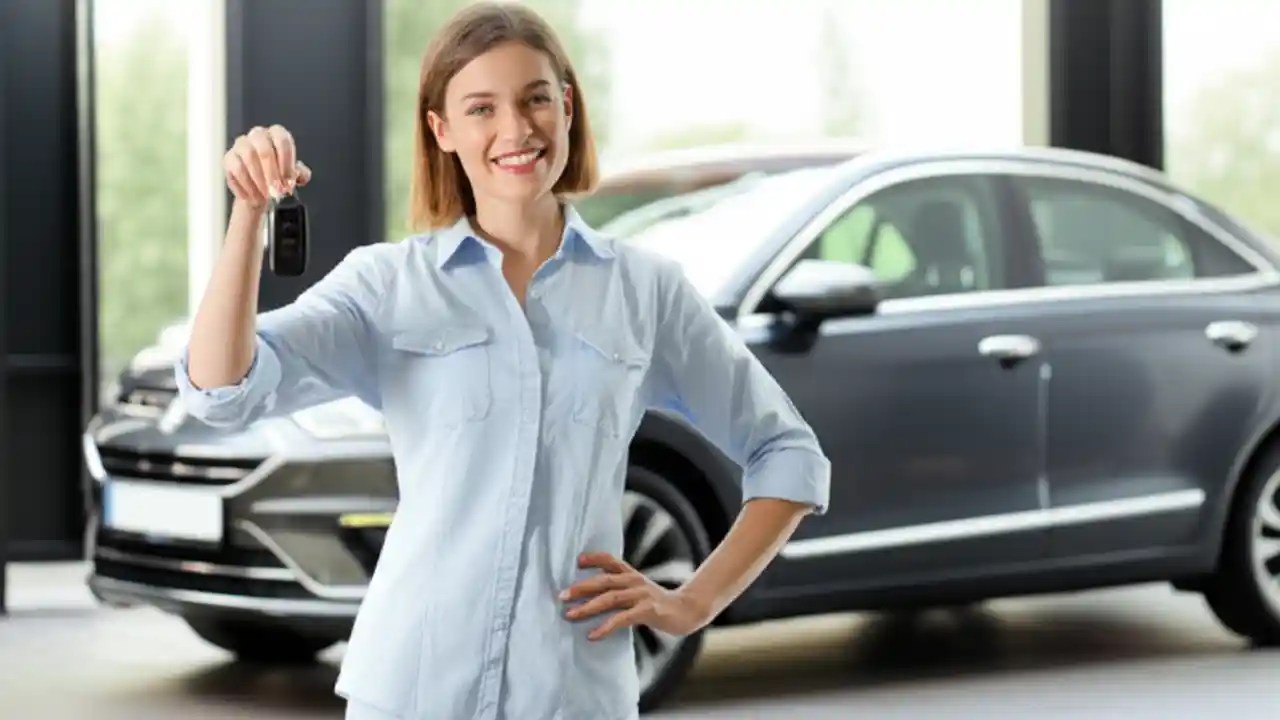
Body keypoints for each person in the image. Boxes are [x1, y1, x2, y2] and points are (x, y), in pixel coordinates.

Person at [176, 2, 830, 718]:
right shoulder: (390, 285)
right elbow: (223, 391)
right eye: (481, 108)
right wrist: (247, 215)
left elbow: (786, 451)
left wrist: (694, 602)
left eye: (535, 100)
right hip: (413, 690)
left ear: (567, 108)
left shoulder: (645, 292)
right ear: (442, 130)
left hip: (573, 695)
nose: (515, 130)